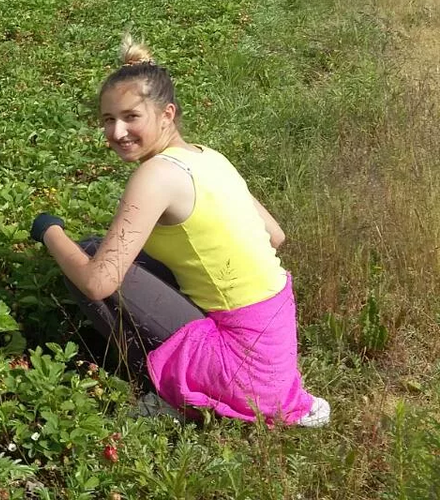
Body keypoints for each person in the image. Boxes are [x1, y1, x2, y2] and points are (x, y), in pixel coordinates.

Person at [31, 35, 330, 427]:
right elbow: (275, 236)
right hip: (271, 350)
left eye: (130, 117)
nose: (117, 131)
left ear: (167, 114)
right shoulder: (208, 157)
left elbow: (98, 282)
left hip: (242, 367)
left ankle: (168, 392)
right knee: (102, 249)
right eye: (108, 119)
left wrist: (48, 230)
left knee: (86, 259)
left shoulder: (156, 174)